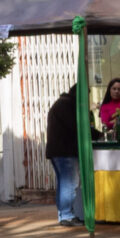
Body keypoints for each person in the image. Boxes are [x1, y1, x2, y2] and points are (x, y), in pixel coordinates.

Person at [45, 86, 81, 226]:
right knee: (69, 184)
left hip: (58, 151)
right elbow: (76, 126)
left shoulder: (62, 103)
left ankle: (64, 215)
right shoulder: (66, 106)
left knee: (64, 184)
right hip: (65, 151)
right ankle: (66, 215)